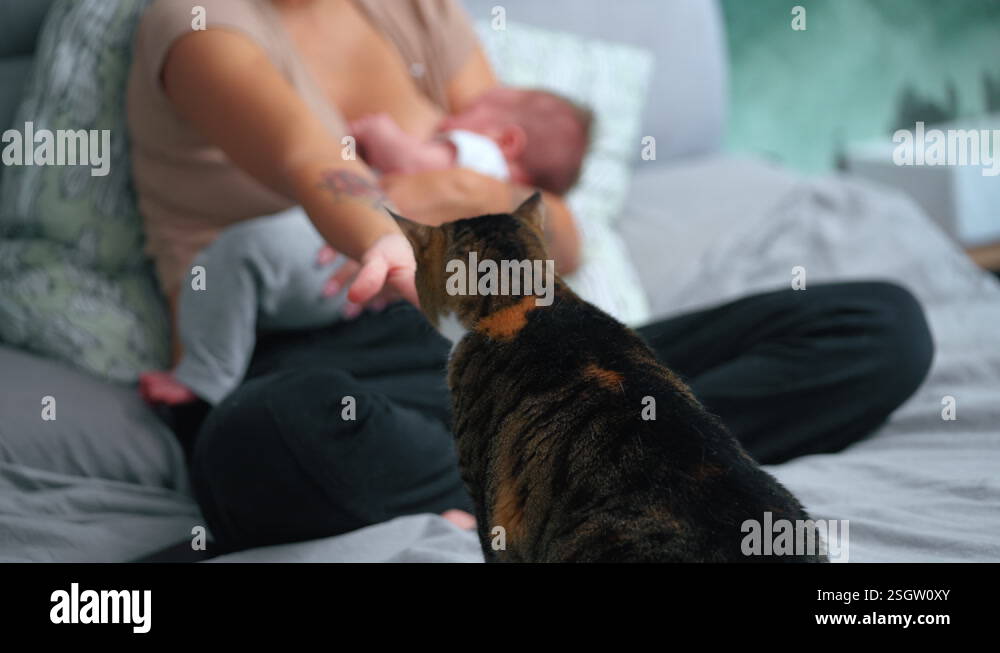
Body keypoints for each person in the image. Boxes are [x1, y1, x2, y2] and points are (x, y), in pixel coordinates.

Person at [127, 0, 934, 554]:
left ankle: (554, 472)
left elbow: (565, 230)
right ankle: (579, 473)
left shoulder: (412, 13)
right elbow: (316, 165)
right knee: (268, 437)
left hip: (517, 347)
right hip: (319, 356)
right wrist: (396, 226)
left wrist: (421, 188)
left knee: (879, 325)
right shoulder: (199, 25)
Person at [138, 86, 592, 406]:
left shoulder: (479, 157)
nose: (450, 119)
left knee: (241, 253)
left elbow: (410, 162)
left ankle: (203, 376)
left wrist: (378, 134)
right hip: (370, 292)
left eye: (471, 111)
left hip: (343, 250)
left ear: (507, 139)